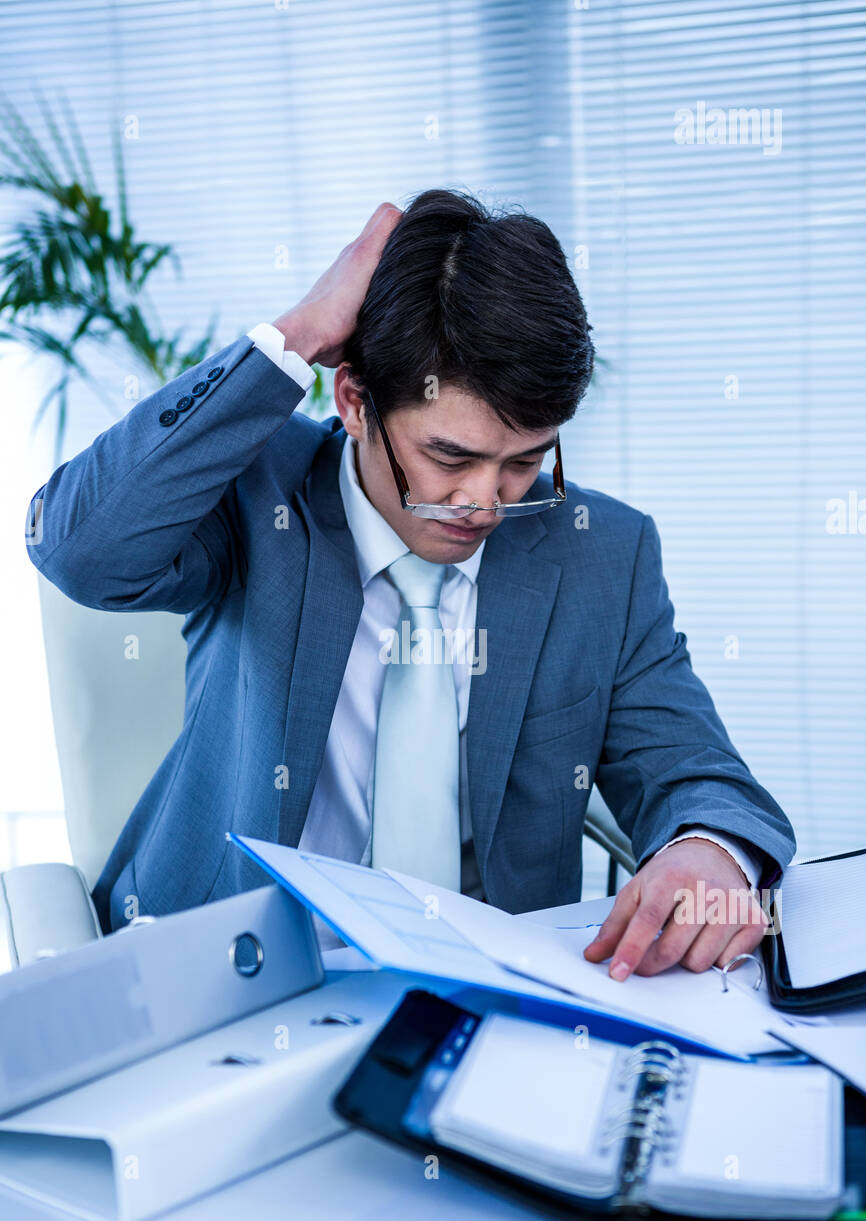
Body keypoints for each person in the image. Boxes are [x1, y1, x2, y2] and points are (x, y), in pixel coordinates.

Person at [25, 190, 795, 980]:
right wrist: (292, 339)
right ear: (355, 401)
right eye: (451, 459)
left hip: (488, 994)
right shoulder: (259, 490)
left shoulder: (605, 554)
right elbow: (78, 548)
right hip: (229, 974)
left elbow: (695, 770)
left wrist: (711, 854)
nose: (485, 503)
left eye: (526, 461)